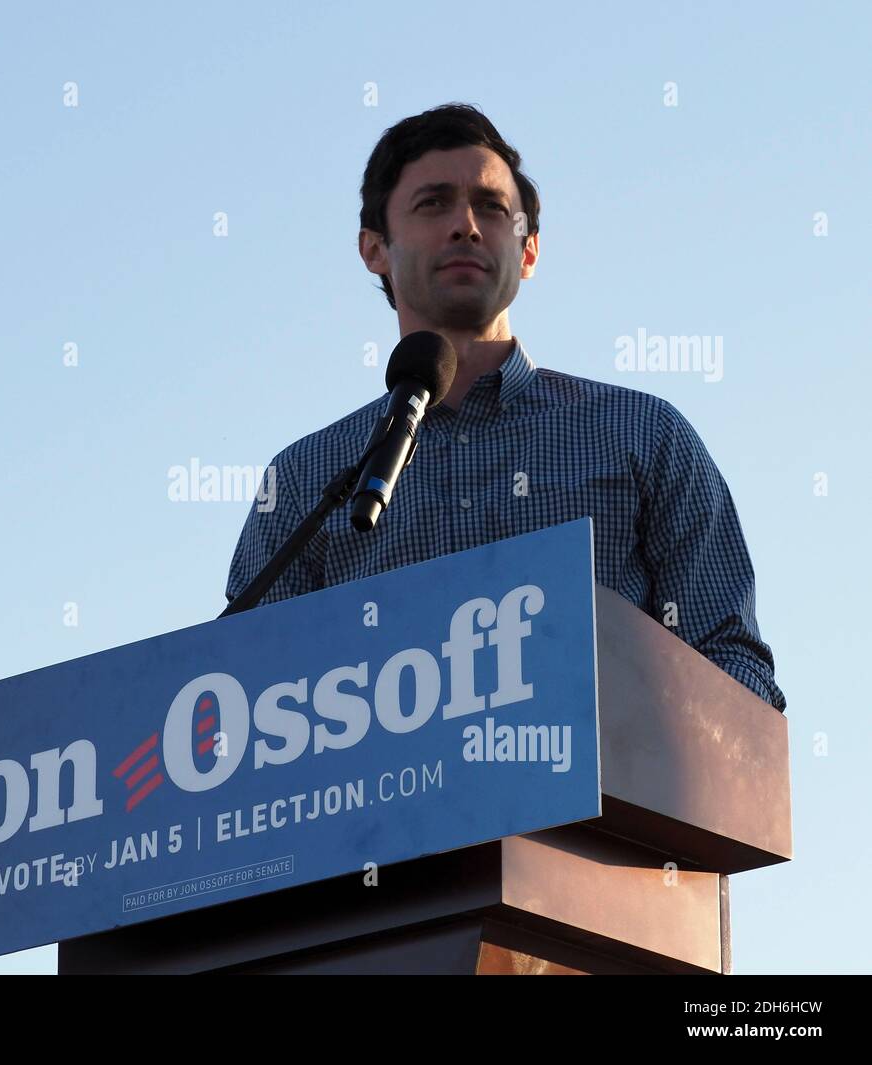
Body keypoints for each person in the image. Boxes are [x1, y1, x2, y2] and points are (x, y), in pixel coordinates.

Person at [225, 102, 785, 713]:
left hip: (610, 808)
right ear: (374, 248)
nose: (465, 225)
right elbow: (249, 705)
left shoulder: (644, 436)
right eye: (433, 202)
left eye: (492, 208)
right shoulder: (306, 480)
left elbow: (734, 669)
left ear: (528, 250)